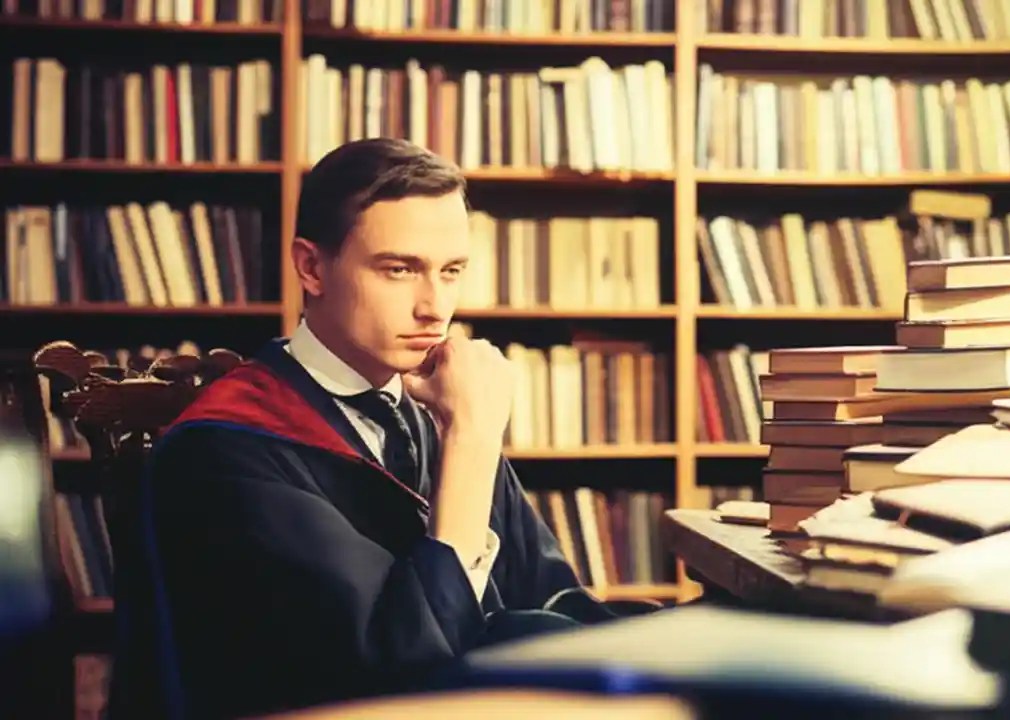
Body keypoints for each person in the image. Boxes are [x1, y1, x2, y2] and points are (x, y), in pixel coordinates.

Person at [110, 138, 626, 720]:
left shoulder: (439, 412)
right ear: (311, 267)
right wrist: (474, 441)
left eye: (451, 272)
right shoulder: (224, 449)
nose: (435, 307)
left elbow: (553, 601)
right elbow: (394, 676)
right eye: (399, 269)